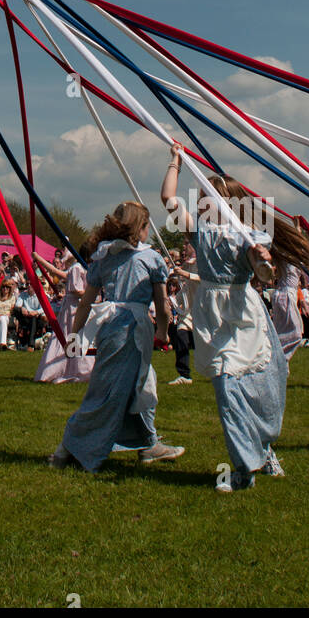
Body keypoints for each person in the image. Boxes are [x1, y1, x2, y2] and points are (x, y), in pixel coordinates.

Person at [161, 144, 309, 491]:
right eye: (199, 196)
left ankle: (256, 457)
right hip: (214, 318)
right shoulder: (200, 233)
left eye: (206, 197)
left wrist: (261, 260)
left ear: (226, 202)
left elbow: (262, 276)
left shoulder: (248, 234)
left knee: (248, 389)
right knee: (227, 388)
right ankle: (249, 465)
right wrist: (175, 159)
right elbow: (168, 198)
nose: (200, 202)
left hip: (243, 316)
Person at [49, 200, 184, 474]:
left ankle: (148, 443)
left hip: (111, 328)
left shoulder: (103, 258)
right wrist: (162, 330)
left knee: (141, 385)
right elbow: (162, 304)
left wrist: (74, 334)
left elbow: (86, 302)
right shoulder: (151, 259)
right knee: (111, 392)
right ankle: (68, 447)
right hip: (132, 331)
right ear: (141, 228)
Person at [34, 244, 96, 382]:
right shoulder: (77, 268)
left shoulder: (84, 268)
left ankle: (77, 368)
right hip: (74, 307)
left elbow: (57, 272)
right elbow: (76, 290)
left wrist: (39, 259)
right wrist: (94, 293)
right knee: (72, 335)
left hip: (80, 305)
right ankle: (67, 369)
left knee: (79, 336)